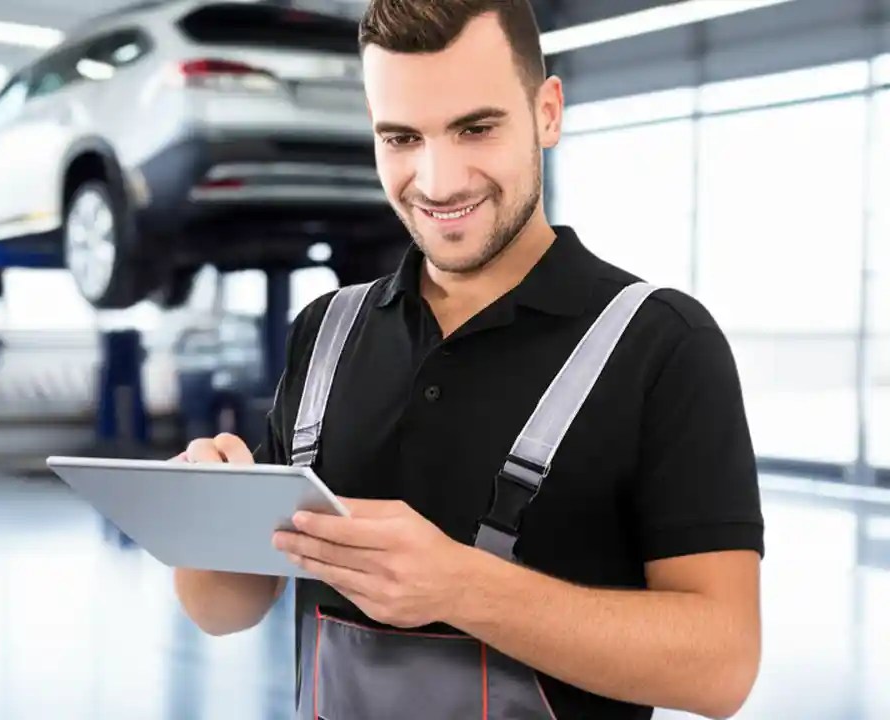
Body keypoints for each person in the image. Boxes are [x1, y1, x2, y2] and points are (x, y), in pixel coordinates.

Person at [173, 1, 764, 718]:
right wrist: (197, 516)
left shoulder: (663, 346)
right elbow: (226, 609)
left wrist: (462, 589)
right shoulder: (326, 333)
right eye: (400, 137)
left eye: (475, 128)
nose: (439, 180)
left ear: (547, 112)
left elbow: (722, 665)